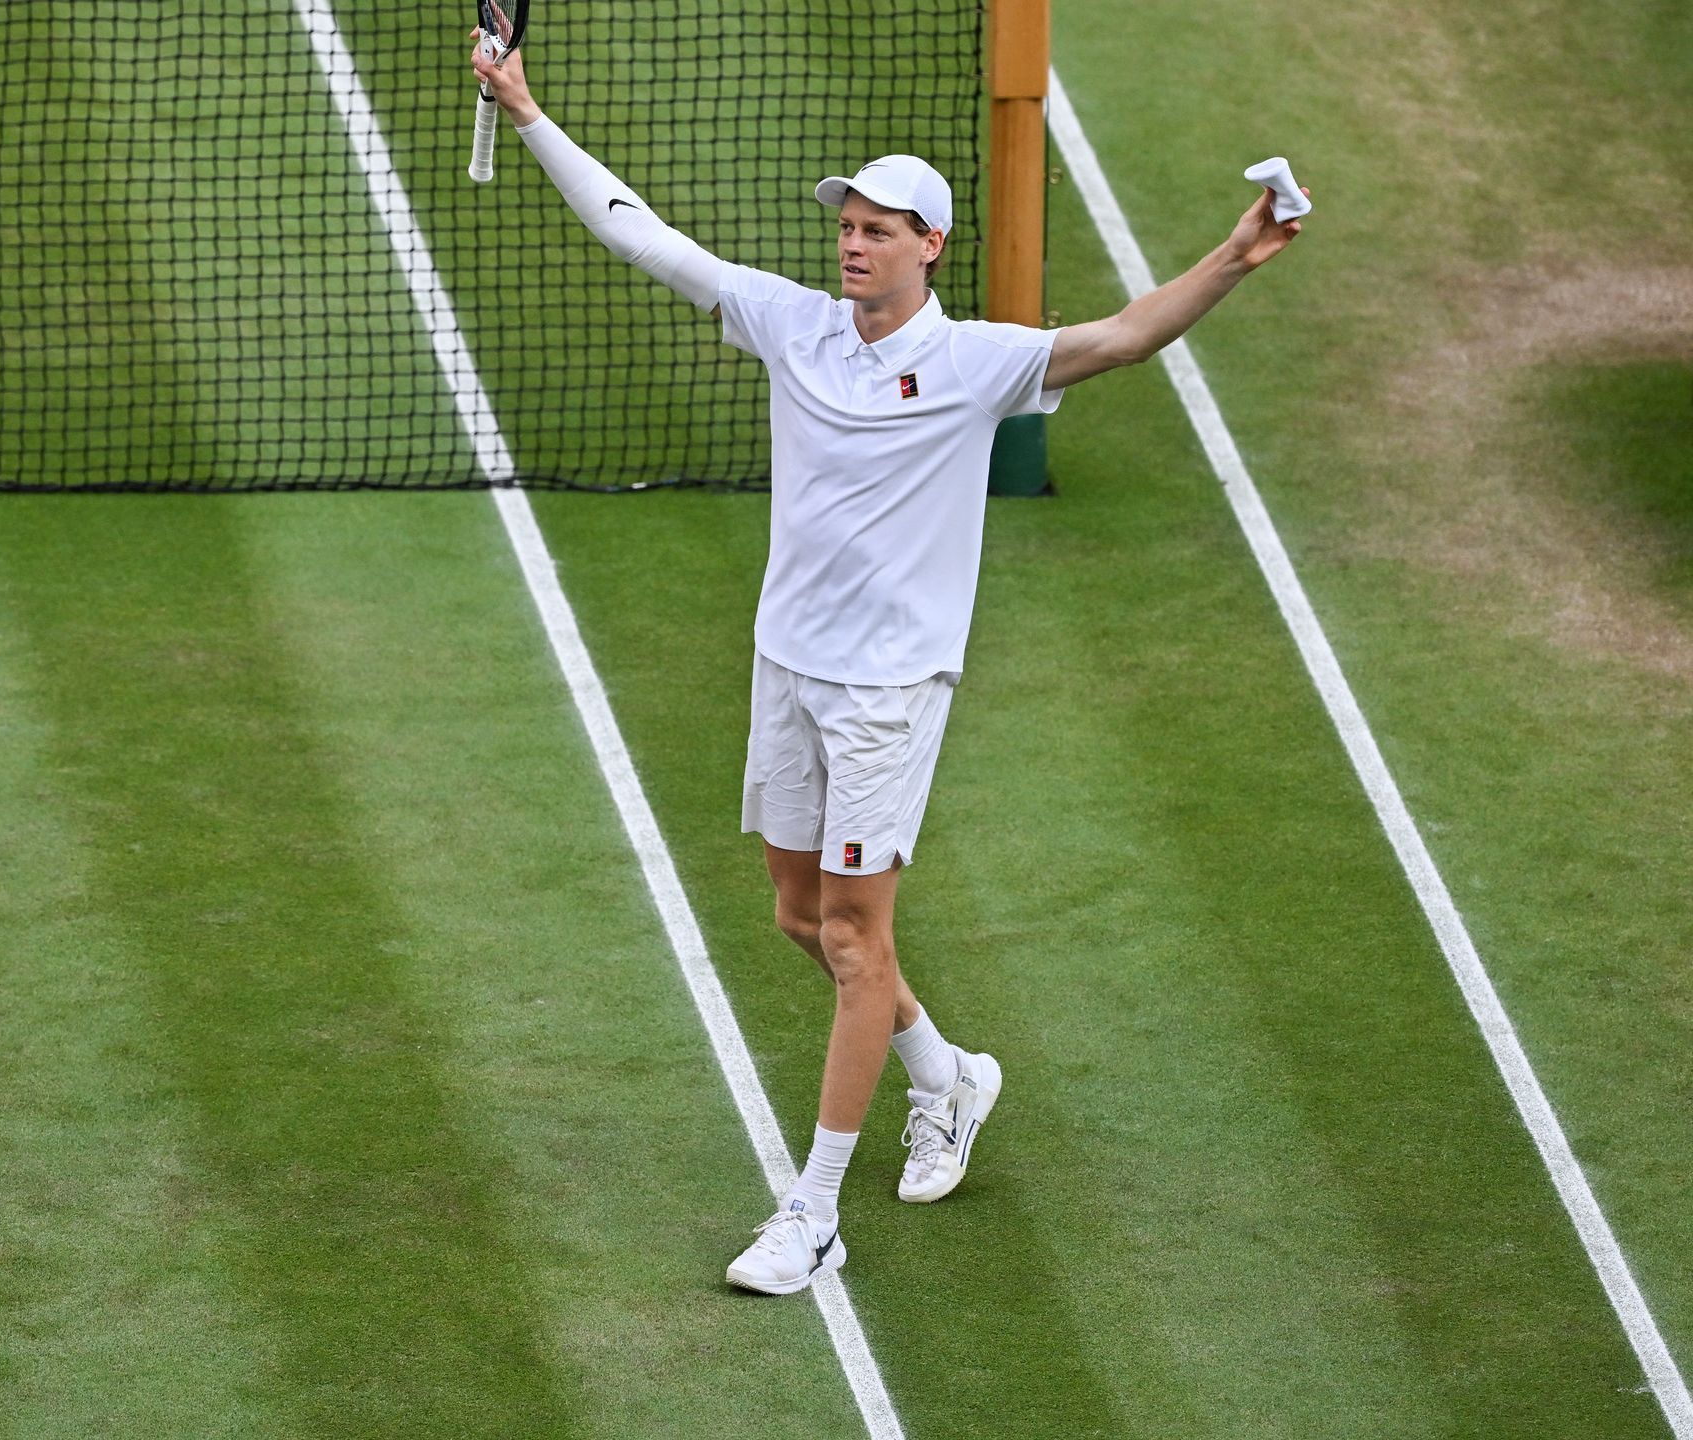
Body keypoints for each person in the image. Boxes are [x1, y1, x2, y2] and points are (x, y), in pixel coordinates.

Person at [470, 32, 1304, 1295]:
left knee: (857, 941)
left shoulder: (978, 365)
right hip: (786, 669)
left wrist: (1233, 257)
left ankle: (812, 1212)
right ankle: (946, 1075)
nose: (852, 244)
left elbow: (1128, 336)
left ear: (931, 249)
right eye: (847, 226)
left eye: (877, 230)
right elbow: (641, 233)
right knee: (797, 918)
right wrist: (528, 112)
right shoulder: (791, 326)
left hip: (886, 694)